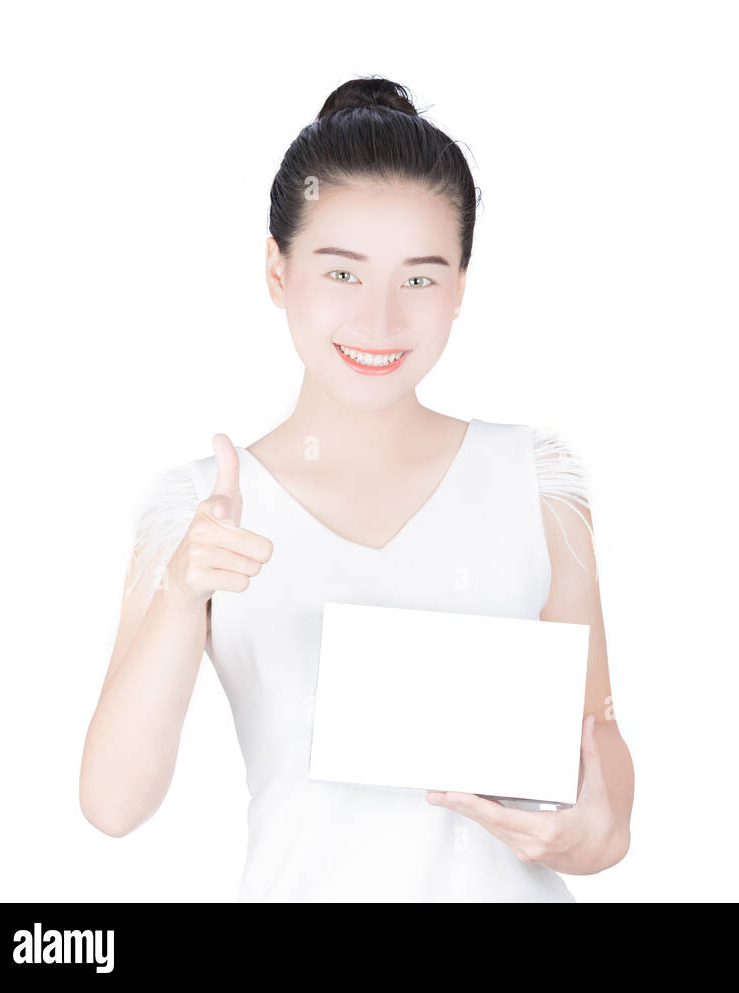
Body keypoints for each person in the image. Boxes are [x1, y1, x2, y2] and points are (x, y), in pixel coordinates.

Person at [79, 76, 633, 901]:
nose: (379, 320)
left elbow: (603, 759)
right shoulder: (200, 516)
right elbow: (112, 804)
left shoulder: (537, 484)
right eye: (342, 274)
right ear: (277, 268)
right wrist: (181, 588)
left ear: (460, 288)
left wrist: (591, 831)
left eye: (419, 278)